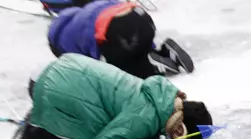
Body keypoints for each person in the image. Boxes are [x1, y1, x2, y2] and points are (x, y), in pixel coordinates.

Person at [11, 54, 212, 139]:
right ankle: (37, 135)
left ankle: (43, 119)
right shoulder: (146, 118)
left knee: (111, 124)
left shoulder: (161, 95)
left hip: (62, 68)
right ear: (180, 128)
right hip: (49, 91)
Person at [47, 0, 193, 79]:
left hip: (118, 28)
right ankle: (165, 50)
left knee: (125, 71)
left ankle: (151, 66)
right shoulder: (82, 15)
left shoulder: (66, 41)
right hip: (139, 14)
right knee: (137, 46)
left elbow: (96, 63)